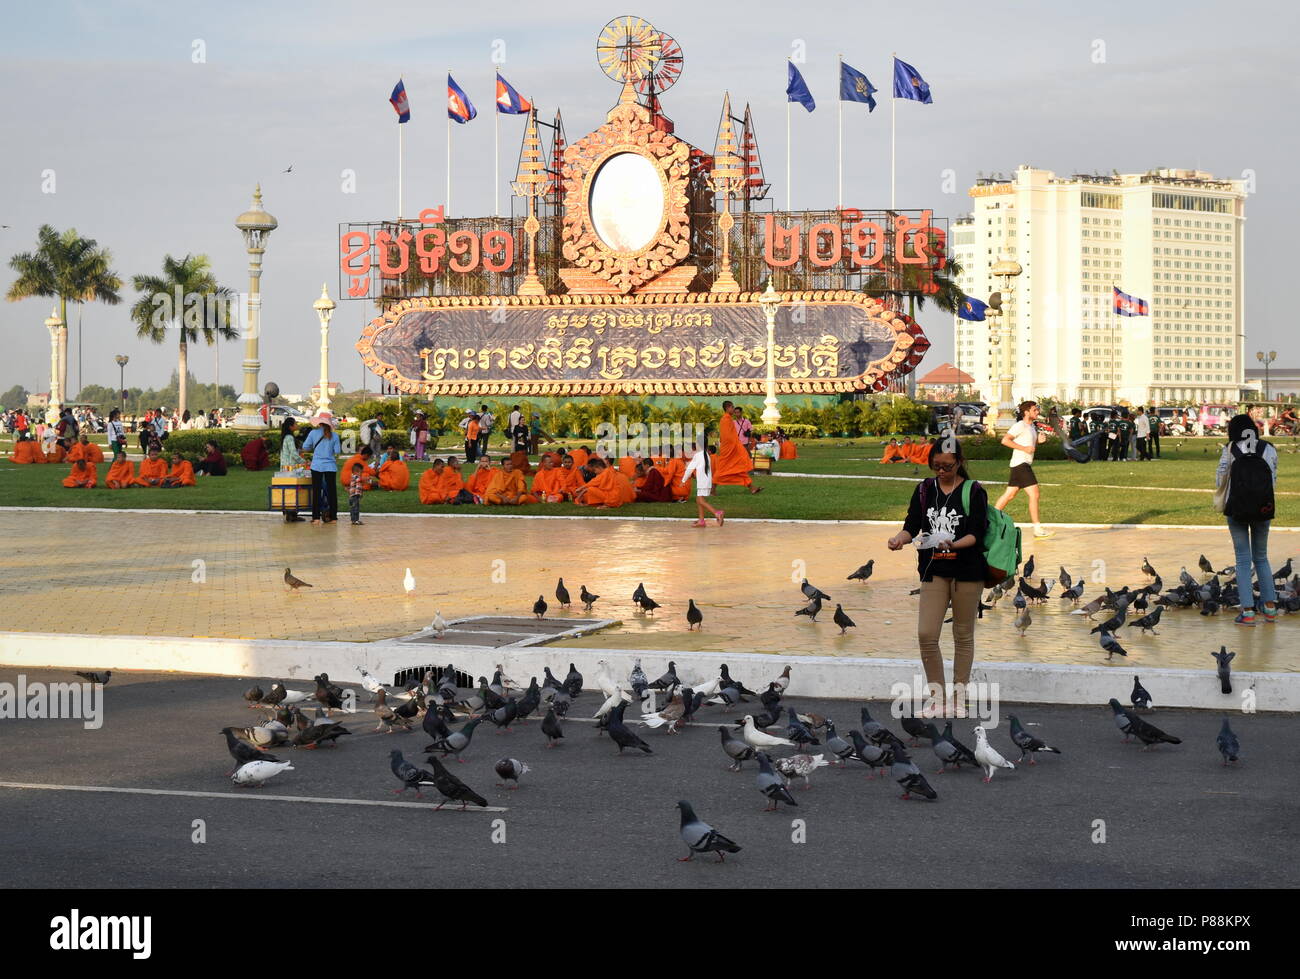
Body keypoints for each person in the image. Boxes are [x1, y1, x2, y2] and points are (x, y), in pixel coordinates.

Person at [887, 438, 989, 716]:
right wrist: (899, 539)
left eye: (947, 466)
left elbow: (977, 534)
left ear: (959, 463)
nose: (941, 472)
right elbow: (912, 525)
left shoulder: (973, 491)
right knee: (926, 633)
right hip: (933, 571)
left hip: (967, 571)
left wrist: (953, 545)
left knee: (963, 634)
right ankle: (937, 699)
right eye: (935, 467)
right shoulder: (923, 490)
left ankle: (958, 700)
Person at [1217, 414, 1279, 626]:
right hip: (1263, 508)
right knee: (1261, 557)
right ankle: (1270, 608)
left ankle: (1248, 612)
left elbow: (1221, 477)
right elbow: (1273, 477)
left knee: (1243, 560)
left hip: (1237, 509)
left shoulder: (1230, 449)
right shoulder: (1268, 448)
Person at [993, 400, 1051, 540]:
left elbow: (1029, 442)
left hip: (1021, 464)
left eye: (1037, 410)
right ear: (1026, 412)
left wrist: (1039, 441)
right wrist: (1024, 449)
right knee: (1034, 494)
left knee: (1010, 495)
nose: (1037, 412)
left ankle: (990, 520)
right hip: (1021, 464)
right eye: (1034, 410)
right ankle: (1037, 528)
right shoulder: (1020, 425)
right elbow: (1005, 440)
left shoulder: (1031, 427)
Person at [300, 412, 340, 523]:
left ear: (319, 422)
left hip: (316, 465)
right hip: (331, 466)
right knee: (332, 492)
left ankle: (316, 518)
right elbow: (337, 451)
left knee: (316, 491)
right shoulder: (335, 436)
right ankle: (333, 518)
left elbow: (305, 447)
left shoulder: (313, 433)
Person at [713, 400, 760, 494]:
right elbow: (726, 436)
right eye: (732, 407)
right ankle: (712, 490)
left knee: (739, 468)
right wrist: (736, 445)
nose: (733, 409)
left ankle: (752, 488)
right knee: (722, 470)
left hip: (733, 447)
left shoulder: (728, 418)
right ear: (727, 408)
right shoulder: (725, 419)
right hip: (729, 450)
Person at [682, 443, 723, 526]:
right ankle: (701, 520)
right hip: (704, 480)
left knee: (700, 500)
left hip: (703, 481)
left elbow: (690, 468)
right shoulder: (705, 454)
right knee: (698, 500)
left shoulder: (699, 455)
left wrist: (683, 480)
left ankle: (717, 513)